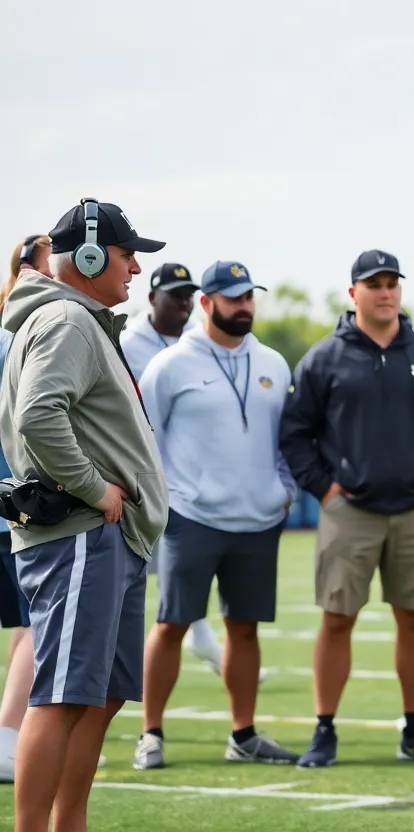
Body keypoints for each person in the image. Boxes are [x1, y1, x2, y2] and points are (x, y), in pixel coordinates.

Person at [0, 198, 168, 832]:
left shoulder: (79, 320)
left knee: (101, 694)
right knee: (64, 693)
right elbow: (38, 415)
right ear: (92, 255)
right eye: (128, 256)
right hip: (81, 533)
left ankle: (70, 822)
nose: (134, 270)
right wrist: (97, 491)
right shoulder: (69, 320)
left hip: (107, 539)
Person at [279, 249, 414, 767]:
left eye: (392, 283)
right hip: (351, 511)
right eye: (374, 283)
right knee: (337, 619)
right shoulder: (324, 357)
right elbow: (296, 433)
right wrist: (324, 489)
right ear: (353, 293)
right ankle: (324, 730)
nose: (385, 291)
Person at [133, 261, 299, 769]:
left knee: (244, 628)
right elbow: (143, 439)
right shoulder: (170, 365)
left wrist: (284, 489)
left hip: (258, 519)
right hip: (192, 517)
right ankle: (151, 733)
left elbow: (283, 440)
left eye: (249, 296)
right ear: (207, 304)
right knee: (172, 623)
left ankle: (243, 735)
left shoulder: (274, 362)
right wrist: (162, 502)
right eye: (233, 298)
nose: (244, 306)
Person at [119, 263, 227, 675]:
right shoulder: (127, 345)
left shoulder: (199, 344)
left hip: (185, 476)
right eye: (175, 294)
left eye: (188, 294)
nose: (184, 302)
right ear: (152, 298)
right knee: (136, 575)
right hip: (137, 475)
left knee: (180, 566)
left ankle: (201, 637)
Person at [0, 234, 52, 784]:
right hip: (19, 506)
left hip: (11, 504)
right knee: (41, 624)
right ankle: (11, 739)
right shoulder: (27, 338)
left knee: (24, 625)